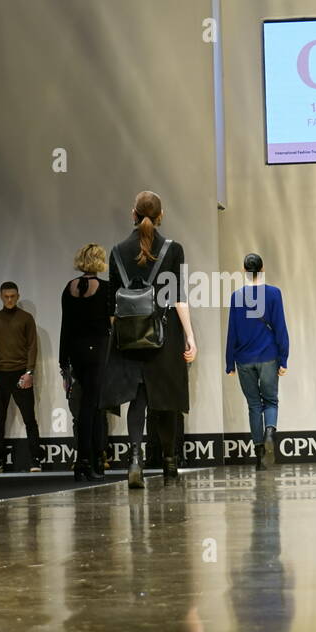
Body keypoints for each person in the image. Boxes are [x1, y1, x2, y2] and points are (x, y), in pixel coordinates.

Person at [102, 190, 197, 489]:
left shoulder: (116, 251)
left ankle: (134, 460)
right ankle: (169, 462)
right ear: (161, 216)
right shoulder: (174, 249)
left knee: (138, 400)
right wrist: (190, 338)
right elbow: (179, 297)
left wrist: (119, 336)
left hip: (129, 336)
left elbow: (113, 305)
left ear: (133, 214)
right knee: (166, 400)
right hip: (164, 333)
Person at [226, 252, 289, 471]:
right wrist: (284, 359)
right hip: (268, 356)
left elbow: (231, 332)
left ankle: (259, 455)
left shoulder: (236, 297)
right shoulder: (274, 294)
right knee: (270, 401)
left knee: (254, 405)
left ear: (244, 271)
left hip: (244, 359)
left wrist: (229, 362)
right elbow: (280, 328)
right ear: (262, 270)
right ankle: (270, 432)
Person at [60, 244, 111, 482]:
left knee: (83, 410)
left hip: (75, 353)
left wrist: (63, 364)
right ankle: (89, 461)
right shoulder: (105, 289)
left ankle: (83, 462)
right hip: (97, 352)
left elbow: (65, 328)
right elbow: (110, 325)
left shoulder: (68, 288)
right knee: (92, 409)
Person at [0, 281, 42, 472]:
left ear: (17, 296)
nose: (9, 300)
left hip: (21, 373)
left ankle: (35, 460)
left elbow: (32, 346)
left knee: (29, 419)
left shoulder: (26, 318)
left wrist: (29, 372)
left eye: (12, 296)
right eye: (6, 296)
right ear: (1, 297)